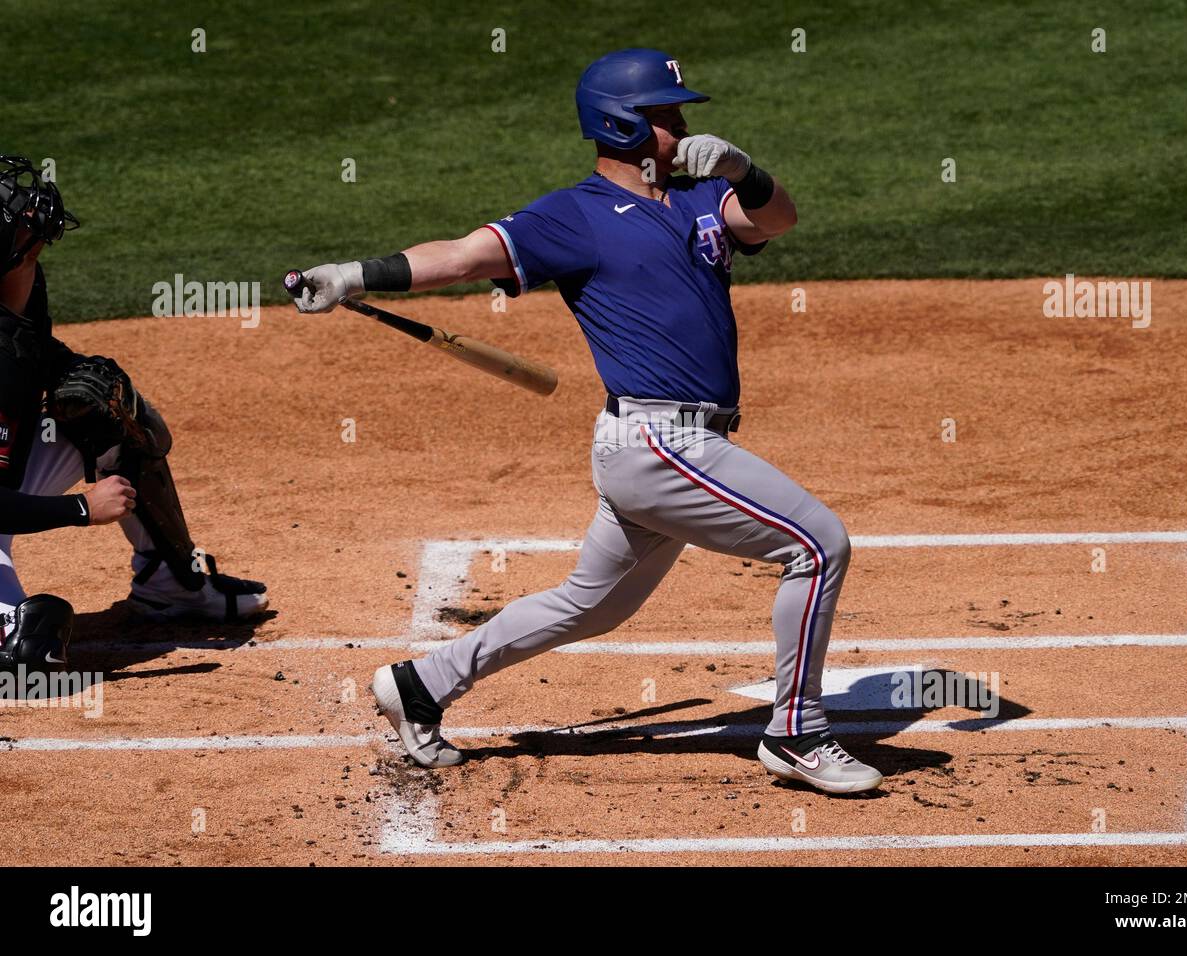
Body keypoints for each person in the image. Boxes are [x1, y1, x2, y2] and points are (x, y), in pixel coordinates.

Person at [292, 49, 881, 794]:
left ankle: (421, 685)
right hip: (659, 444)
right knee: (818, 544)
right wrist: (354, 274)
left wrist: (742, 168)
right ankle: (796, 732)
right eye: (666, 115)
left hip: (674, 446)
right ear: (621, 124)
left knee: (591, 605)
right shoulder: (574, 216)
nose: (683, 127)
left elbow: (777, 218)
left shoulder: (701, 197)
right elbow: (464, 257)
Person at [0, 155, 268, 670]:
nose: (29, 213)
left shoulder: (19, 286)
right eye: (18, 223)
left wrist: (74, 370)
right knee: (30, 654)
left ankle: (170, 583)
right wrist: (81, 509)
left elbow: (28, 351)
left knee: (110, 413)